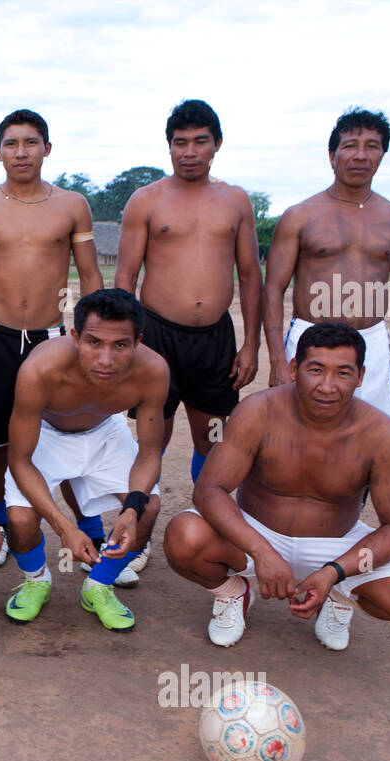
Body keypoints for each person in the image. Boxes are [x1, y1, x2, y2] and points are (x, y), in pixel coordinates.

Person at [163, 322, 390, 650]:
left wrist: (335, 572)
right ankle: (232, 593)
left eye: (343, 373)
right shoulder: (258, 411)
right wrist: (261, 551)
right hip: (257, 534)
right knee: (184, 536)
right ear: (294, 368)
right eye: (316, 370)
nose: (327, 386)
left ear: (361, 376)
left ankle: (339, 595)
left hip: (339, 545)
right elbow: (209, 489)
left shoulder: (385, 435)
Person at [0, 109, 104, 569]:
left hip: (54, 337)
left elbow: (91, 274)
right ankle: (1, 527)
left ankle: (92, 532)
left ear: (47, 148)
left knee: (67, 433)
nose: (22, 152)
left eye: (31, 142)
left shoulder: (72, 205)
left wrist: (94, 339)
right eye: (12, 143)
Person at [115, 99, 262, 488]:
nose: (190, 152)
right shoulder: (146, 200)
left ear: (217, 144)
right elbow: (126, 275)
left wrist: (251, 345)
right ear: (169, 146)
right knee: (151, 440)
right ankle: (137, 532)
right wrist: (125, 342)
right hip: (156, 337)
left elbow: (250, 275)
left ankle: (206, 523)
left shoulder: (235, 201)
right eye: (181, 143)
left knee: (213, 439)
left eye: (201, 141)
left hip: (214, 340)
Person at [2, 289, 167, 632]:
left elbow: (150, 451)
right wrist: (66, 529)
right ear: (75, 336)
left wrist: (132, 509)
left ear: (137, 341)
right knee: (19, 520)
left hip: (105, 431)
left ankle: (98, 586)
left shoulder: (153, 371)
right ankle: (37, 580)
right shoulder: (40, 369)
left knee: (148, 506)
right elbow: (19, 459)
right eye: (94, 342)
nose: (105, 359)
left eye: (120, 345)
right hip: (46, 435)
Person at [263, 108, 390, 419]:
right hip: (310, 338)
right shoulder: (300, 215)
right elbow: (273, 288)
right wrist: (276, 359)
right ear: (331, 155)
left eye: (372, 146)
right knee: (296, 437)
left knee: (372, 435)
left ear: (383, 155)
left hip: (371, 342)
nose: (361, 155)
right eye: (350, 146)